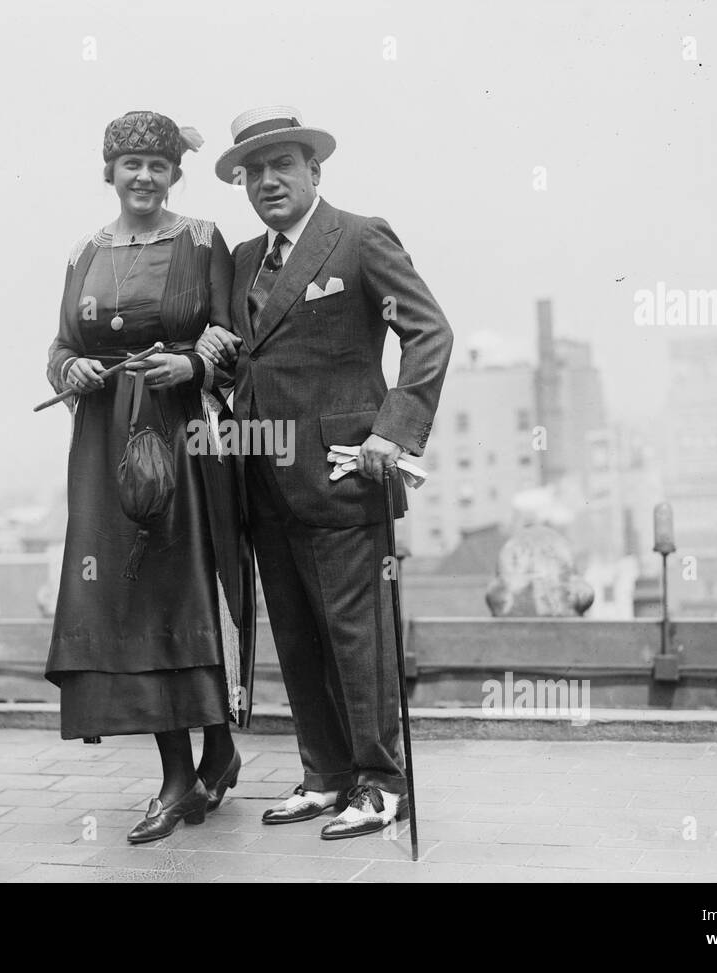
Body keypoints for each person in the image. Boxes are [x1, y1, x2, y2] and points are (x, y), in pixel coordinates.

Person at [199, 105, 452, 840]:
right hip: (263, 474)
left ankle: (380, 782)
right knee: (298, 634)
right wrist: (220, 360)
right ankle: (325, 774)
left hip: (344, 475)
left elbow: (428, 332)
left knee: (356, 634)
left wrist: (391, 434)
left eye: (284, 164)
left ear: (316, 171)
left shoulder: (361, 237)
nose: (269, 181)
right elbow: (260, 359)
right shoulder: (243, 258)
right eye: (255, 170)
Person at [44, 110, 253, 845]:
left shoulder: (202, 241)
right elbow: (61, 344)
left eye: (157, 166)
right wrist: (70, 368)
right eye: (130, 164)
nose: (143, 176)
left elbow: (230, 335)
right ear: (111, 172)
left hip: (179, 434)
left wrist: (192, 363)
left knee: (176, 587)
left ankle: (186, 775)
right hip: (105, 439)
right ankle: (203, 757)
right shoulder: (83, 253)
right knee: (125, 598)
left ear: (174, 175)